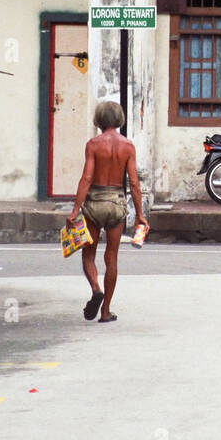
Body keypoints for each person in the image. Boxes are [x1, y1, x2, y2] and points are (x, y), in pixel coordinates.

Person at [66, 101, 147, 323]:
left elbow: (87, 178)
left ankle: (95, 289)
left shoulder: (93, 144)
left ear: (99, 119)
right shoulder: (128, 146)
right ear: (119, 119)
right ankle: (106, 311)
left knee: (89, 254)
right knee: (111, 258)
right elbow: (134, 182)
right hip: (117, 202)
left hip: (94, 202)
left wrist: (75, 210)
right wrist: (140, 214)